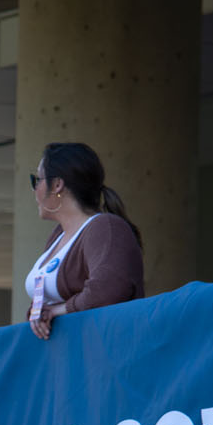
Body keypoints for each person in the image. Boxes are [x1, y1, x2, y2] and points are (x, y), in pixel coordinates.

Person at [23, 141, 144, 340]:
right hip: (66, 359)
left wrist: (58, 311)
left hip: (102, 355)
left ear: (57, 184)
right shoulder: (57, 236)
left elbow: (109, 288)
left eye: (37, 179)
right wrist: (40, 314)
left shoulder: (105, 227)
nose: (35, 189)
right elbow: (49, 303)